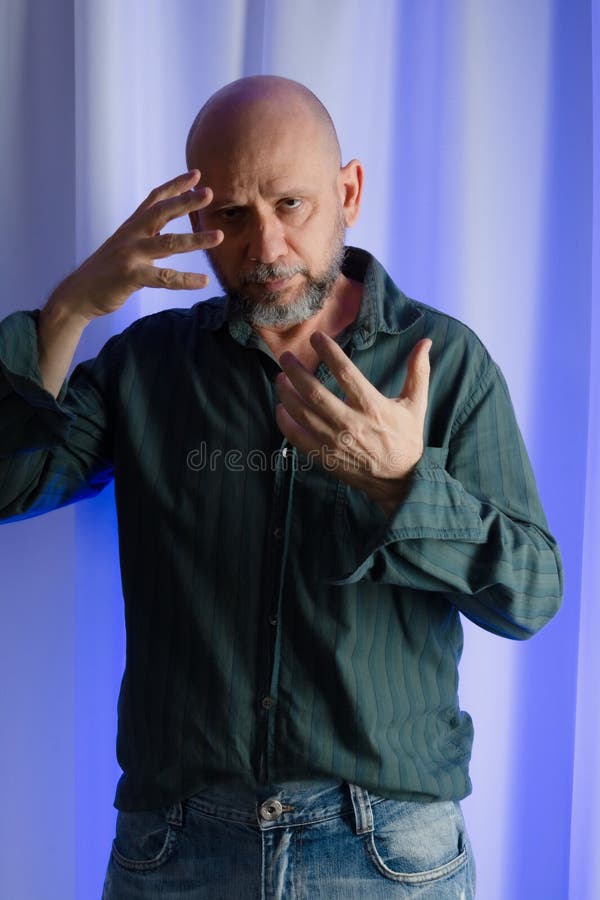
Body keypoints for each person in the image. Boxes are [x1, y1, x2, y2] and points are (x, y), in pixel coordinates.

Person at [0, 76, 562, 899]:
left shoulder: (444, 360)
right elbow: (12, 486)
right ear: (196, 222)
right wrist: (74, 307)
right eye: (229, 214)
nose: (263, 246)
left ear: (349, 193)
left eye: (292, 204)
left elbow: (531, 594)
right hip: (176, 849)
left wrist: (405, 484)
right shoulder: (148, 366)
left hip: (385, 854)